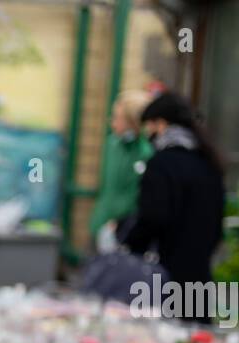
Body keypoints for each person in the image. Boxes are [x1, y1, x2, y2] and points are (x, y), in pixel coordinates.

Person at [120, 91, 226, 317]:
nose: (148, 133)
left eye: (149, 126)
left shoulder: (161, 164)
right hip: (199, 275)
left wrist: (129, 242)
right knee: (193, 342)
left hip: (165, 276)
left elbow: (153, 217)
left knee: (160, 342)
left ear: (161, 124)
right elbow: (217, 224)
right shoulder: (208, 162)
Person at [89, 90, 154, 254]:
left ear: (134, 122)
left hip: (125, 232)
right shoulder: (112, 145)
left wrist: (121, 222)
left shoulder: (147, 152)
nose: (113, 123)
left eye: (118, 118)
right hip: (101, 224)